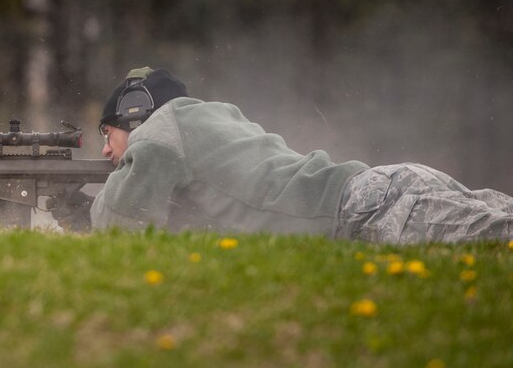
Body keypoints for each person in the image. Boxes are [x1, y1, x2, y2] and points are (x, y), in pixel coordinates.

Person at [52, 67, 513, 244]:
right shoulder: (210, 116)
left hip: (364, 212)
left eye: (107, 131)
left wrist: (80, 213)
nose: (105, 148)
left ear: (135, 115)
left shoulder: (158, 135)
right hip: (384, 187)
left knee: (501, 240)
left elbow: (120, 223)